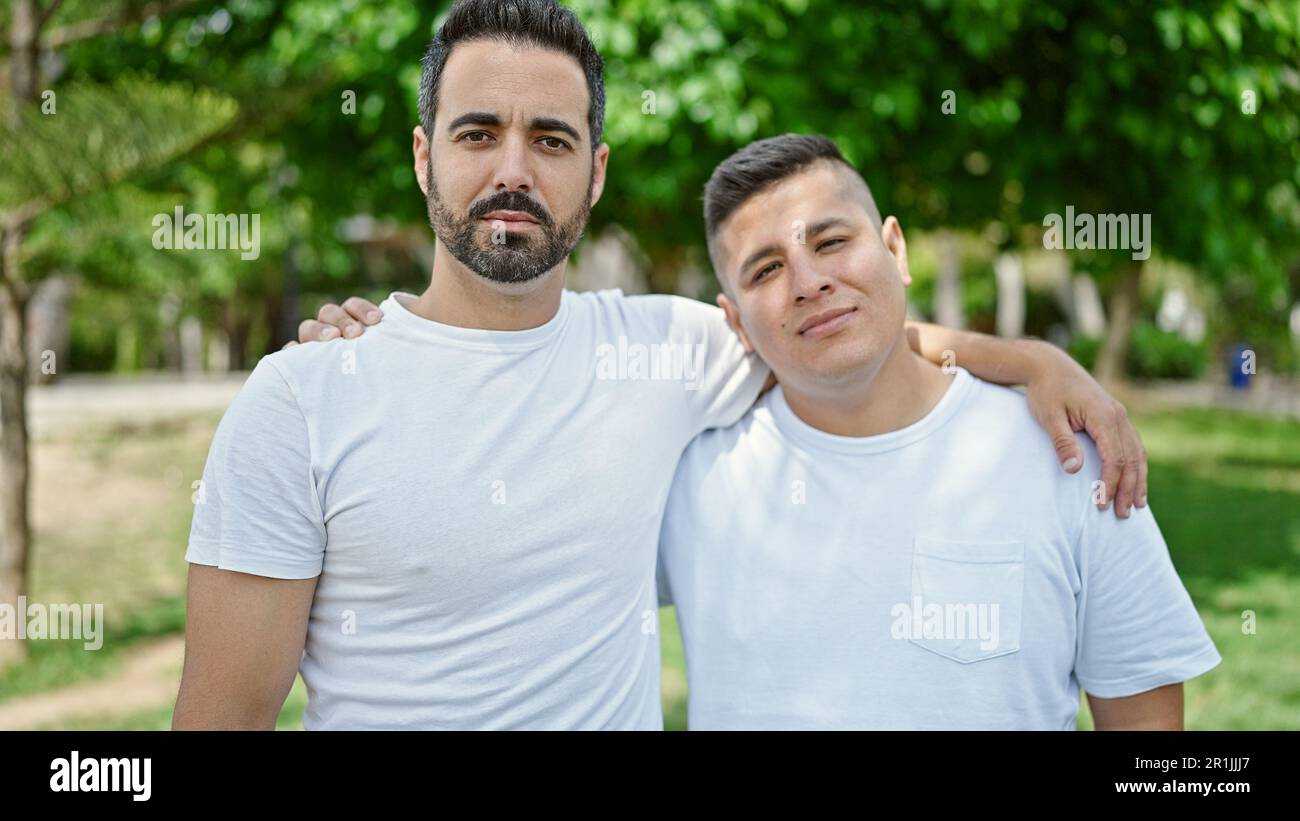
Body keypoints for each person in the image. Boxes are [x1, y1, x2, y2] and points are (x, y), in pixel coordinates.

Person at [175, 0, 1148, 730]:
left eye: (550, 139)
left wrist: (1027, 358)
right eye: (479, 133)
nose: (513, 169)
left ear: (593, 171)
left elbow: (838, 332)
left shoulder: (668, 351)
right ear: (425, 157)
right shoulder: (300, 401)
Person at [654, 134, 1219, 729]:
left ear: (895, 249)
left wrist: (1032, 361)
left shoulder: (1069, 459)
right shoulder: (685, 477)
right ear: (737, 322)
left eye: (832, 241)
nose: (808, 281)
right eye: (767, 269)